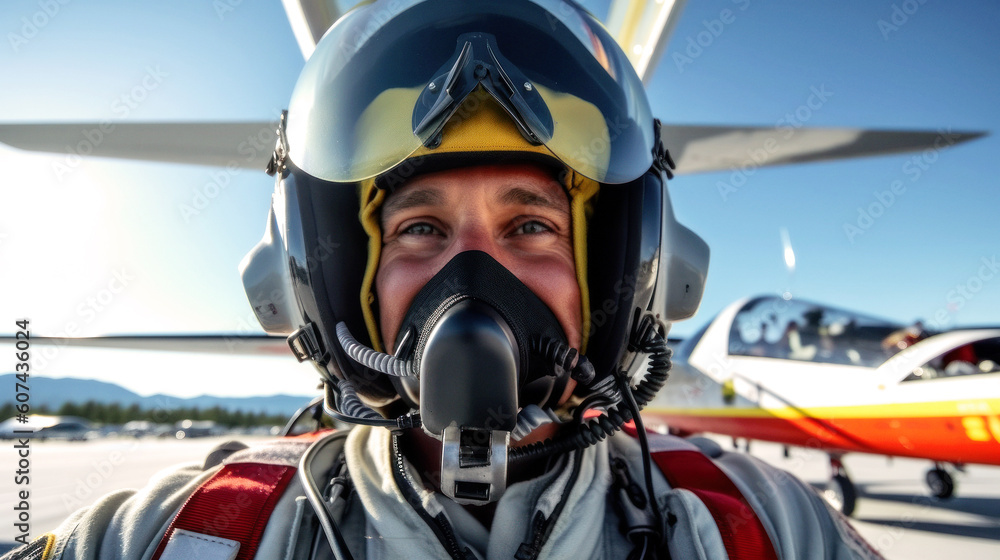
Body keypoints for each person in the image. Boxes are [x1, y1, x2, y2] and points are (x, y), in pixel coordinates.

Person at [4, 1, 882, 559]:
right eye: (421, 229)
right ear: (329, 281)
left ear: (631, 273)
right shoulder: (192, 534)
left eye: (530, 227)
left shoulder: (765, 529)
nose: (474, 277)